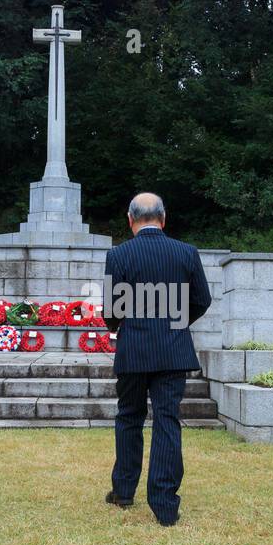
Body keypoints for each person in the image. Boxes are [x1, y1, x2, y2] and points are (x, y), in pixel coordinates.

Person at [101, 193, 212, 527]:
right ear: (164, 218)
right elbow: (202, 300)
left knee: (129, 417)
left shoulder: (118, 255)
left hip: (133, 349)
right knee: (167, 420)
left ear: (130, 219)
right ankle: (165, 504)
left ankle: (123, 490)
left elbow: (111, 311)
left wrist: (123, 324)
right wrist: (176, 323)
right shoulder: (186, 253)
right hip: (172, 350)